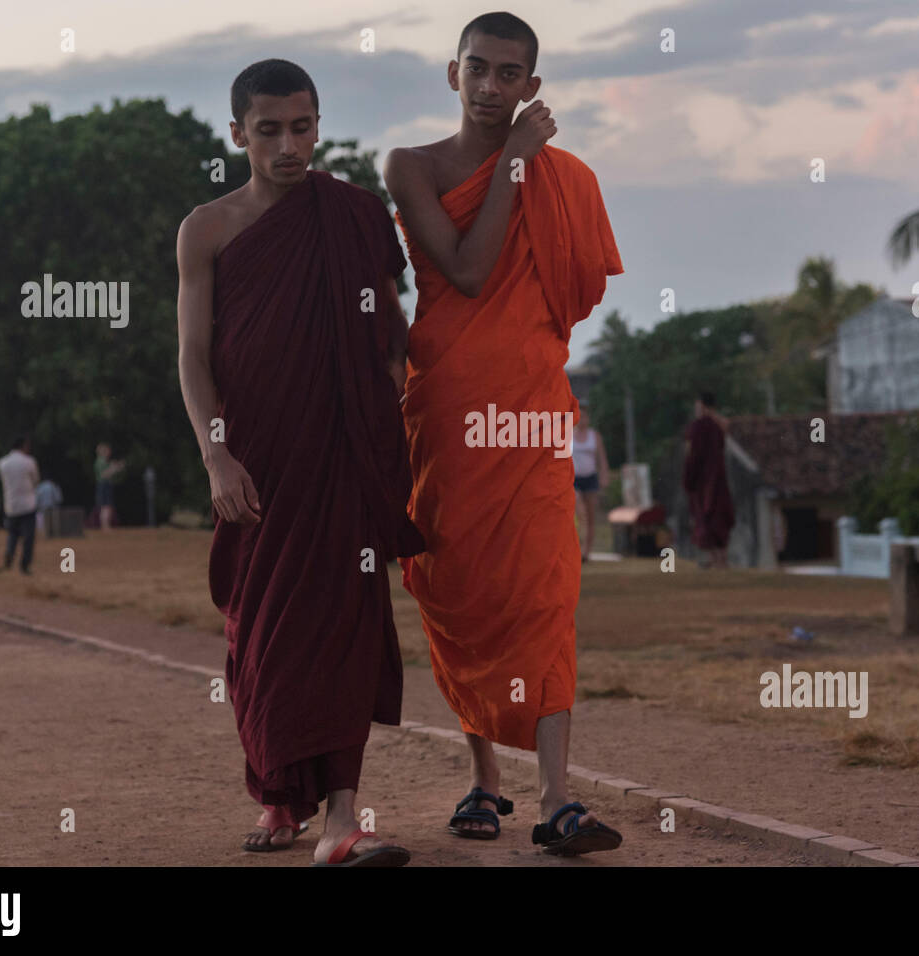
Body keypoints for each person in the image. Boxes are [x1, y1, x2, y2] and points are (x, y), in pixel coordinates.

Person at [386, 12, 624, 854]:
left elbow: (563, 293)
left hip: (529, 405)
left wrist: (529, 163)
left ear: (532, 86)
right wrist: (517, 160)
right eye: (477, 69)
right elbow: (469, 268)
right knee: (458, 592)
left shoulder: (570, 180)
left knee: (545, 588)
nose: (491, 87)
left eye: (509, 73)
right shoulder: (409, 166)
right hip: (448, 403)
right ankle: (484, 781)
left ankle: (559, 798)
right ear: (452, 74)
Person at [177, 58, 420, 866]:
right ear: (237, 133)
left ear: (319, 123)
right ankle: (281, 797)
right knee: (263, 638)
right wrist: (217, 459)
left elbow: (392, 336)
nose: (290, 145)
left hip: (345, 460)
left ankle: (342, 821)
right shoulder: (207, 228)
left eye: (303, 126)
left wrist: (383, 419)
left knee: (346, 632)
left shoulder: (354, 215)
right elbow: (192, 359)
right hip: (259, 466)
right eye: (270, 130)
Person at [683, 392, 735, 568]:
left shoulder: (701, 426)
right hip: (715, 477)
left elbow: (691, 452)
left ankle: (718, 559)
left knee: (708, 516)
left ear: (703, 406)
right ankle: (719, 559)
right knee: (715, 516)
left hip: (705, 478)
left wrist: (688, 477)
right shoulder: (712, 425)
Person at [570, 413, 610, 562]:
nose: (583, 420)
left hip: (590, 477)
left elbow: (601, 458)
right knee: (580, 513)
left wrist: (604, 475)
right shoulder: (569, 434)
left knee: (591, 515)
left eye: (585, 417)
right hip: (574, 479)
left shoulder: (595, 436)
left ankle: (586, 552)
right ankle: (577, 548)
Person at [0, 436, 39, 574]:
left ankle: (9, 554)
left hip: (11, 503)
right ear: (24, 446)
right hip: (27, 504)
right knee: (28, 537)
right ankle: (24, 565)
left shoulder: (2, 463)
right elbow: (35, 480)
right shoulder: (29, 462)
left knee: (12, 534)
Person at [93, 443, 124, 530]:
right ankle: (105, 526)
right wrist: (114, 468)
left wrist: (115, 467)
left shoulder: (104, 462)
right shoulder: (100, 462)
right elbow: (104, 474)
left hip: (105, 484)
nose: (109, 452)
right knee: (106, 506)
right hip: (104, 485)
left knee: (108, 506)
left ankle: (106, 525)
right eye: (107, 450)